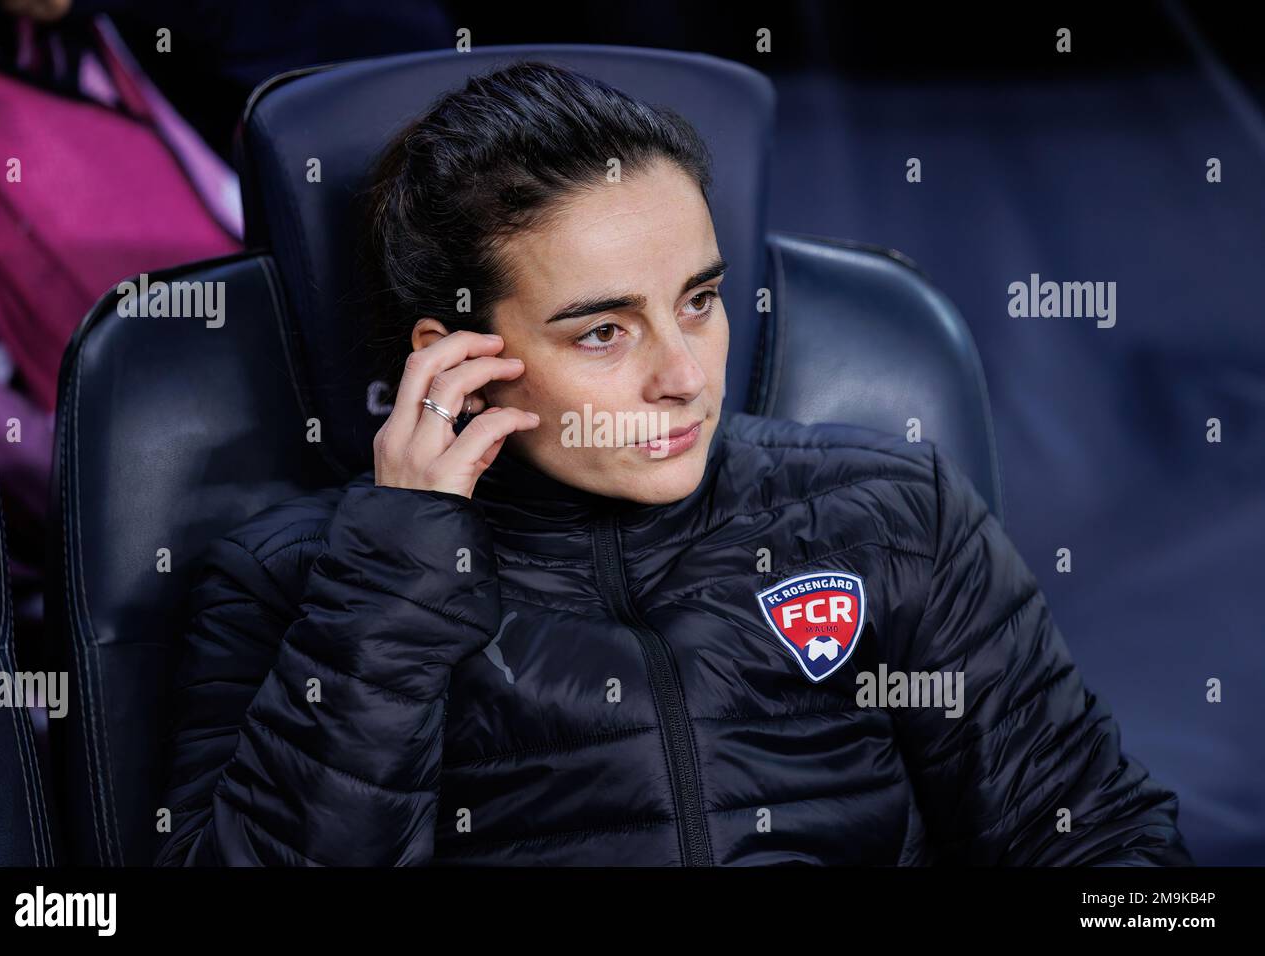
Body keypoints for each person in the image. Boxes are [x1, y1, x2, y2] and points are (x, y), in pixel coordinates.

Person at [155, 60, 1191, 866]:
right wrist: (391, 577)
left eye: (698, 300)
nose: (684, 374)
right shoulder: (304, 582)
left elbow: (1096, 838)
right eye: (601, 331)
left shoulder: (889, 511)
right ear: (454, 360)